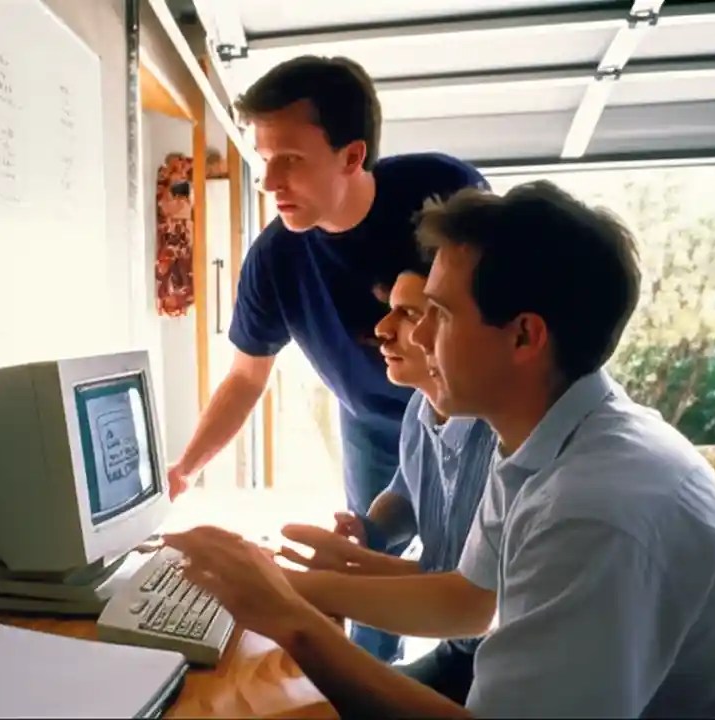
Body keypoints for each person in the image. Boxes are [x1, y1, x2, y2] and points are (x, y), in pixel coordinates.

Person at [163, 181, 715, 718]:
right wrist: (281, 583)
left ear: (525, 336)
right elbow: (467, 601)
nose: (418, 335)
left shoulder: (594, 510)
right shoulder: (544, 440)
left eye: (441, 315)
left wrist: (293, 622)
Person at [165, 54, 487, 663]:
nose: (268, 183)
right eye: (264, 161)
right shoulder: (274, 260)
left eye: (290, 160)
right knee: (368, 564)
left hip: (469, 415)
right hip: (370, 421)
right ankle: (369, 675)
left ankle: (459, 671)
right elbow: (243, 379)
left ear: (352, 155)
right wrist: (187, 467)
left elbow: (501, 291)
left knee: (468, 580)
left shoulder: (441, 191)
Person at [278, 257, 496, 705]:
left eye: (411, 314)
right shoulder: (420, 409)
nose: (384, 329)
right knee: (307, 698)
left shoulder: (505, 437)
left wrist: (279, 590)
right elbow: (406, 494)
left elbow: (471, 605)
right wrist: (367, 532)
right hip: (457, 652)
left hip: (492, 663)